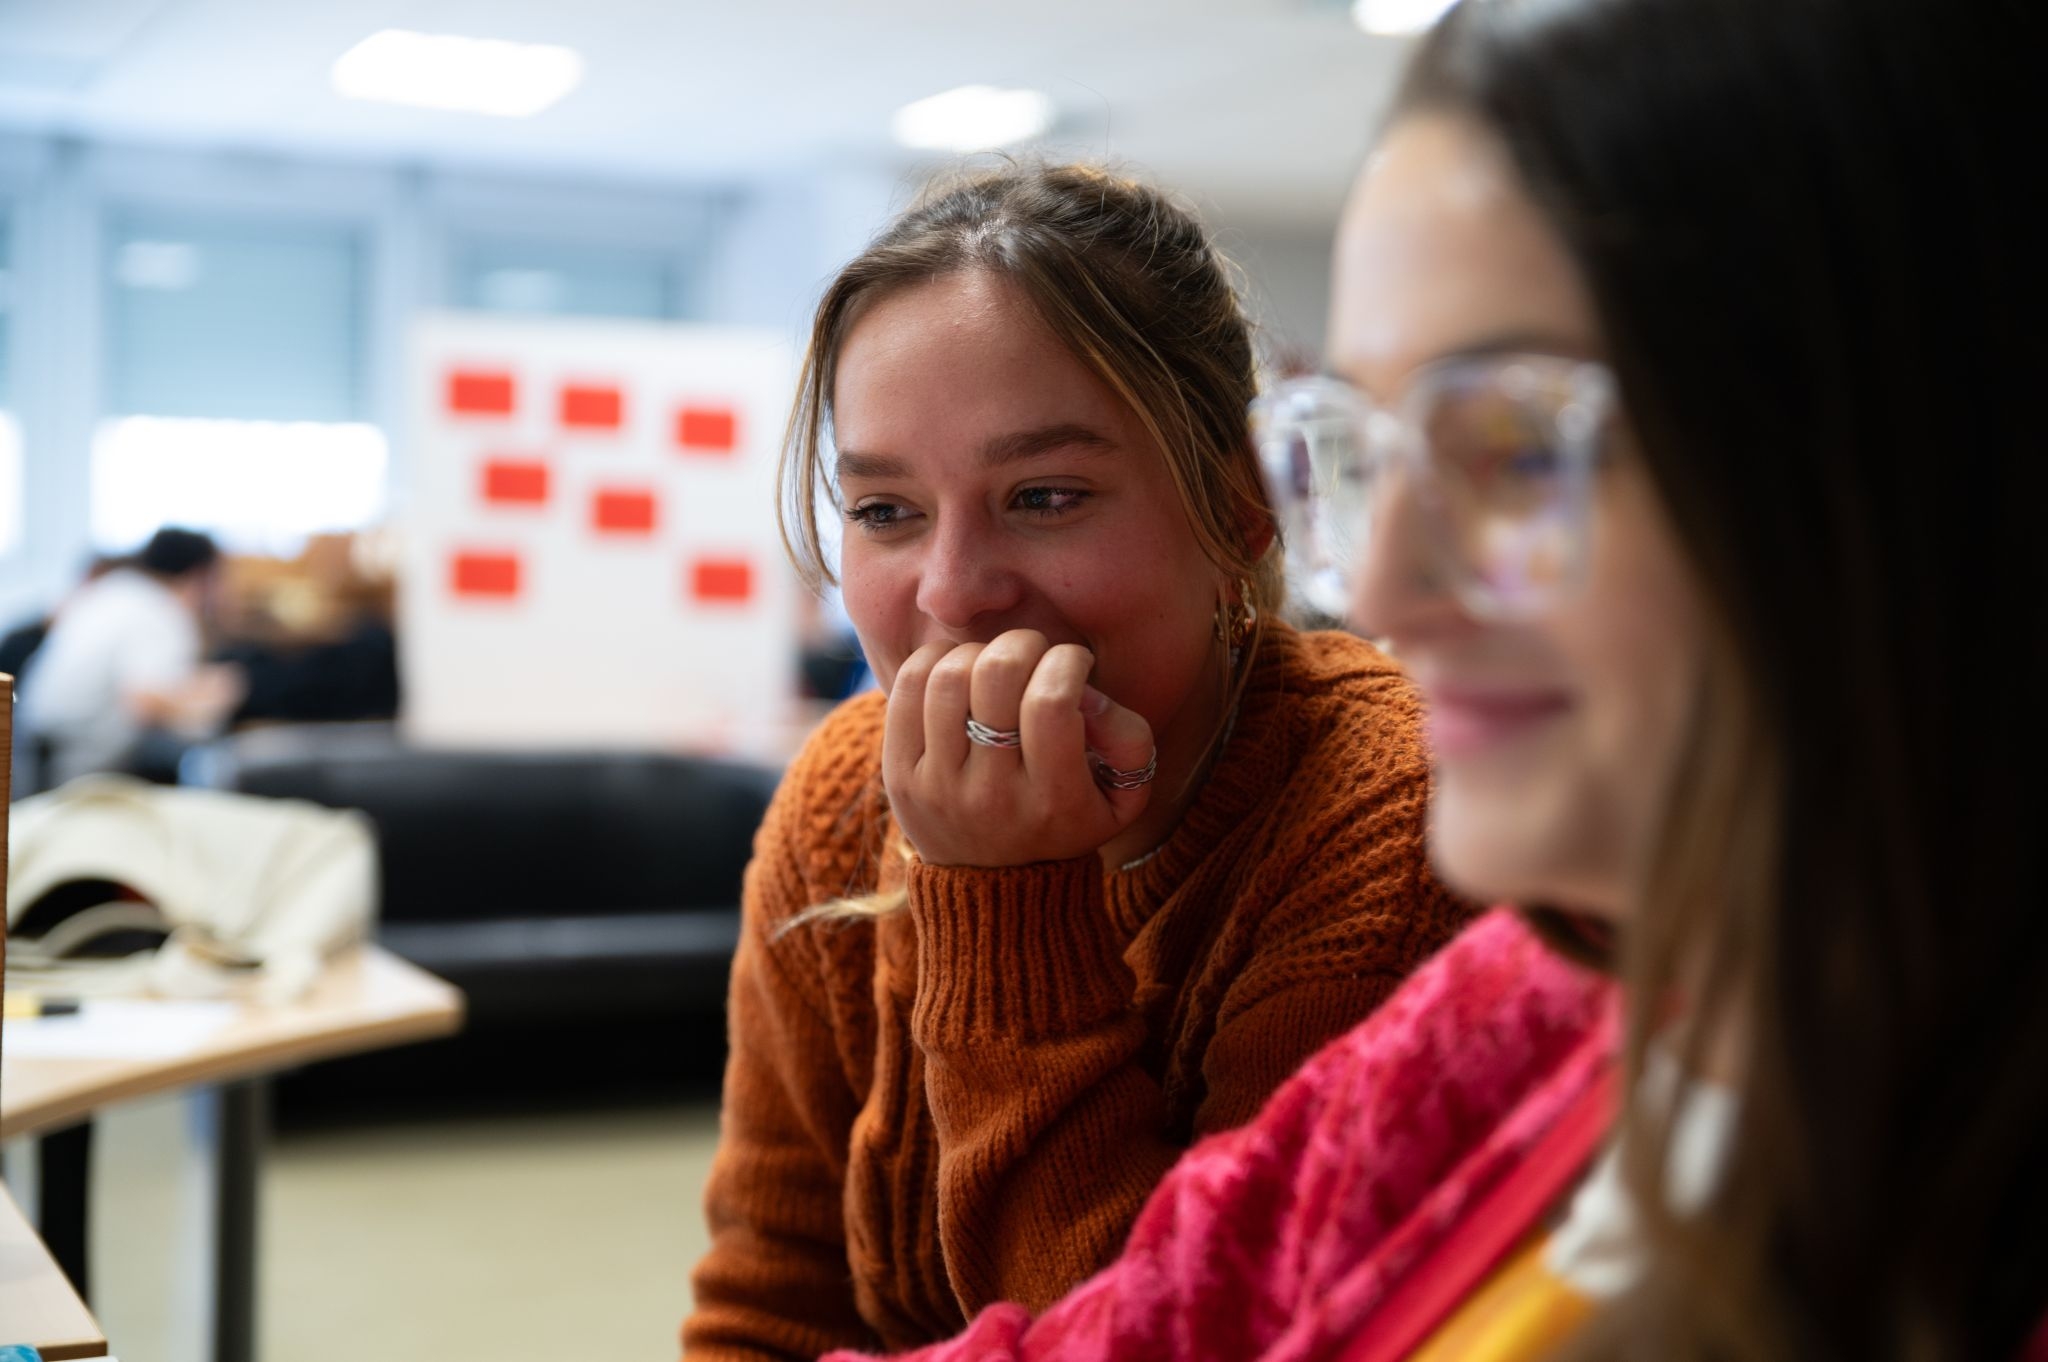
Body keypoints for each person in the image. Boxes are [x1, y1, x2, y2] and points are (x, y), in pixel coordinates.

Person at [815, 1, 2048, 1359]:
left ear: (1920, 457)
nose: (1386, 590)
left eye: (1513, 443)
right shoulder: (1547, 1005)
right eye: (1364, 447)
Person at [681, 165, 1476, 1361]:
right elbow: (766, 1301)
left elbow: (1180, 1337)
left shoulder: (1386, 817)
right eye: (886, 512)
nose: (952, 591)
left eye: (1043, 495)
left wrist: (997, 900)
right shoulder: (844, 796)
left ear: (1242, 507)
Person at [17, 527, 246, 789]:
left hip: (30, 744)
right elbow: (145, 703)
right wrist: (213, 700)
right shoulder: (164, 612)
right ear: (200, 577)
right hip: (78, 762)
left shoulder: (116, 587)